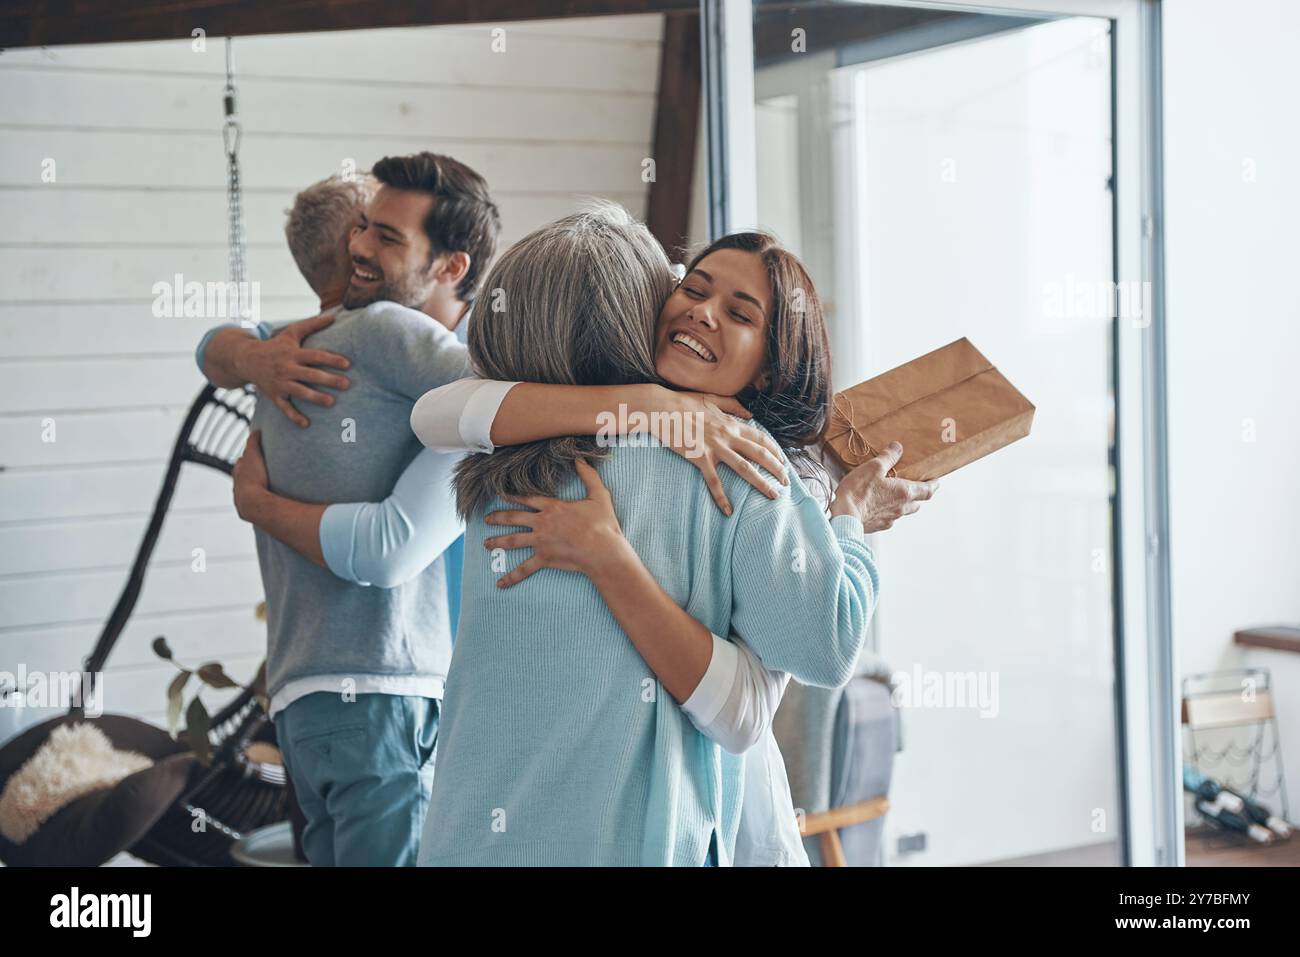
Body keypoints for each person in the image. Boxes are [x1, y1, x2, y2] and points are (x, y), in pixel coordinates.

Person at [414, 203, 931, 866]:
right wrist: (849, 520)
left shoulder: (503, 460)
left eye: (741, 313)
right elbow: (819, 650)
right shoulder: (736, 460)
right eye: (693, 288)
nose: (703, 311)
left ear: (771, 365)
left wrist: (613, 551)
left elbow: (438, 414)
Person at [196, 153, 499, 865]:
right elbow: (388, 549)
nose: (363, 247)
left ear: (451, 266)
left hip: (310, 697)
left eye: (386, 237)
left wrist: (257, 497)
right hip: (388, 683)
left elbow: (211, 344)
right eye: (362, 229)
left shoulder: (299, 348)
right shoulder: (376, 336)